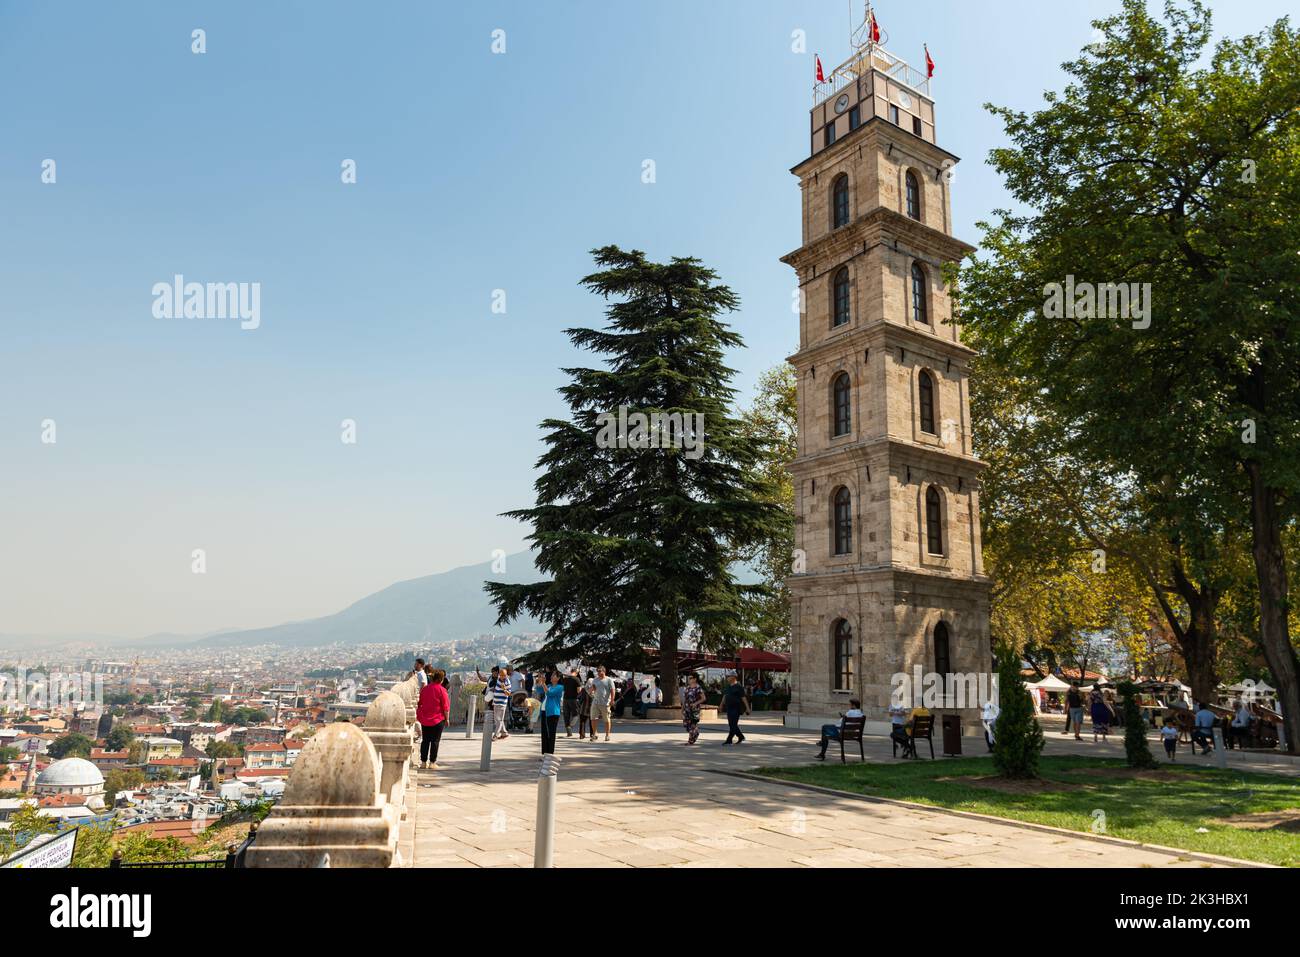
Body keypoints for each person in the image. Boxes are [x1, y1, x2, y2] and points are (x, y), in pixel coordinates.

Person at [416, 668, 450, 769]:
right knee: (435, 741)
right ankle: (432, 763)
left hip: (425, 719)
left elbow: (420, 703)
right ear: (441, 679)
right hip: (438, 719)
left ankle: (423, 762)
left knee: (425, 741)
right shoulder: (442, 690)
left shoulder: (425, 689)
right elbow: (446, 707)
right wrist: (447, 719)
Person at [588, 666, 616, 742]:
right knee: (593, 718)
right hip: (596, 702)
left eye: (600, 671)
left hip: (605, 702)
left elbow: (613, 690)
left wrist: (612, 700)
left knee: (606, 719)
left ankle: (607, 735)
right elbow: (591, 690)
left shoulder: (609, 680)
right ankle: (594, 734)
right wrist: (591, 689)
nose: (599, 672)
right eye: (598, 671)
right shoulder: (595, 680)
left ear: (604, 671)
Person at [539, 670, 564, 755]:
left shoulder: (560, 687)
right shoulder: (549, 685)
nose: (551, 676)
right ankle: (544, 753)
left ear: (558, 678)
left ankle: (550, 753)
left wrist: (543, 683)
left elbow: (550, 694)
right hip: (544, 711)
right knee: (544, 733)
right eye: (552, 675)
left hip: (553, 712)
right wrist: (540, 681)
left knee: (551, 733)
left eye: (554, 675)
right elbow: (539, 690)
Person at [721, 674, 748, 745]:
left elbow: (743, 698)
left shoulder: (739, 687)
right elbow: (724, 696)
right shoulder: (728, 687)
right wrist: (721, 705)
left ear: (733, 677)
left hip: (736, 707)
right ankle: (740, 736)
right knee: (731, 724)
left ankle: (729, 739)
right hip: (728, 707)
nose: (727, 678)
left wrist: (748, 708)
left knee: (733, 724)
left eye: (728, 677)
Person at [681, 674, 706, 745]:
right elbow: (685, 699)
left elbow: (703, 698)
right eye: (688, 678)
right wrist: (682, 708)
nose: (689, 679)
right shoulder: (687, 688)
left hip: (694, 710)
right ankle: (696, 732)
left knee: (692, 724)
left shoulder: (698, 688)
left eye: (691, 678)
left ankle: (690, 740)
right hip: (686, 709)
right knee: (686, 724)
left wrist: (695, 703)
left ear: (695, 679)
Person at [490, 666, 511, 740]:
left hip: (502, 703)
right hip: (496, 702)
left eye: (504, 675)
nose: (502, 676)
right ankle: (504, 733)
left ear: (506, 675)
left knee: (499, 720)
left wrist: (504, 689)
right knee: (497, 719)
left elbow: (509, 694)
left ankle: (495, 735)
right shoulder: (498, 680)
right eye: (501, 675)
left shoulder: (507, 682)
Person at [561, 667, 580, 736]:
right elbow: (579, 690)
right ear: (575, 672)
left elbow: (563, 688)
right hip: (574, 699)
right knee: (576, 714)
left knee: (566, 715)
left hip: (565, 698)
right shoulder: (576, 679)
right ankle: (570, 726)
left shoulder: (565, 679)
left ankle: (568, 731)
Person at [576, 670, 594, 740]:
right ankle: (592, 734)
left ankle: (582, 735)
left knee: (582, 721)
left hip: (584, 708)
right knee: (591, 721)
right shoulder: (595, 690)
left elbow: (580, 698)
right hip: (592, 708)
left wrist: (579, 705)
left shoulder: (584, 689)